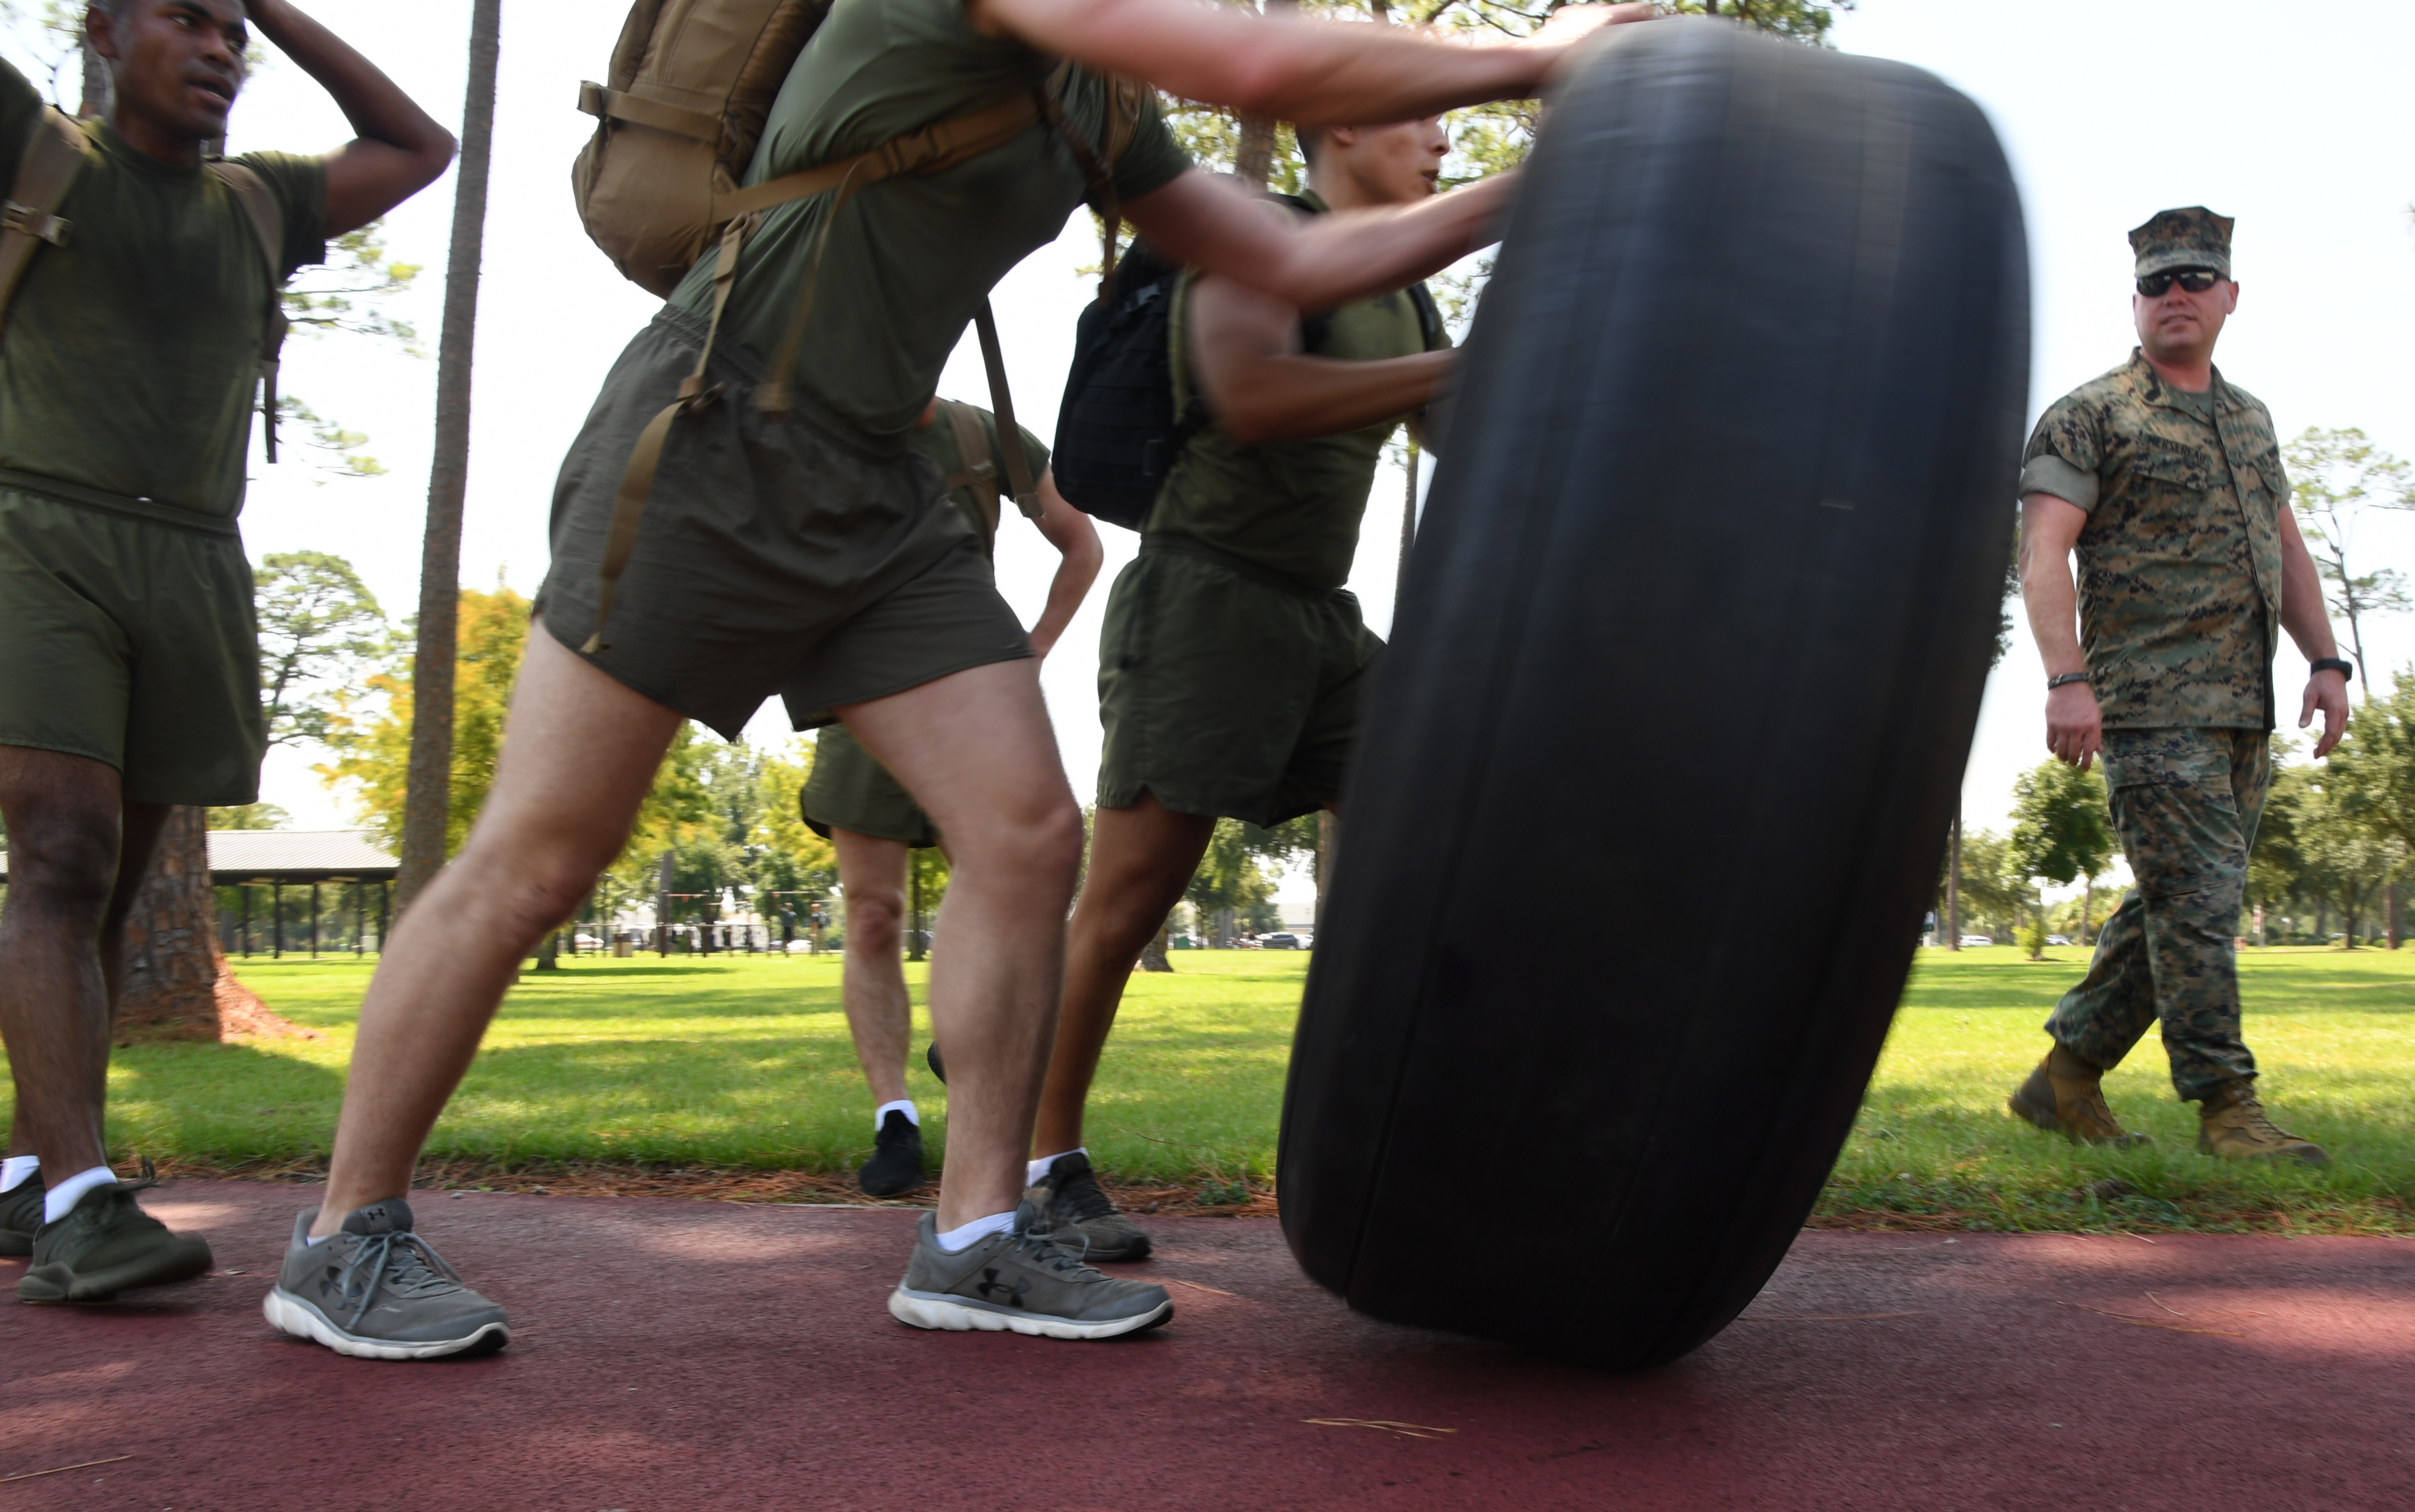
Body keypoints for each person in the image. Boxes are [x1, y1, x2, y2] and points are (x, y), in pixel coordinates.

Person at [266, 0, 1649, 1360]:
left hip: (885, 488)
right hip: (715, 433)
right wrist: (1540, 58)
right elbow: (1260, 63)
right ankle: (344, 1236)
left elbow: (1287, 258)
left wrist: (1543, 175)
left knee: (1027, 832)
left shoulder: (1099, 99)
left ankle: (978, 1232)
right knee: (541, 857)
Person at [0, 0, 453, 1304]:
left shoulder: (262, 200)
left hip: (195, 556)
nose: (218, 51)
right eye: (184, 19)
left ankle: (32, 1172)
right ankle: (84, 1203)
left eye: (230, 31)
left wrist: (270, 10)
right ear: (104, 30)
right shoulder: (39, 150)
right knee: (61, 853)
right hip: (34, 530)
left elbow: (419, 146)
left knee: (105, 887)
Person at [1027, 114, 1454, 1260]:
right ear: (1344, 122)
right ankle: (1038, 1162)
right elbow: (1255, 392)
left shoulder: (1406, 291)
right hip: (1204, 599)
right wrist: (1452, 370)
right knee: (1131, 898)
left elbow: (1462, 424)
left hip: (1323, 622)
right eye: (1421, 116)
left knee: (1437, 822)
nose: (1442, 140)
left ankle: (1427, 1136)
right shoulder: (1257, 235)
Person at [2009, 206, 2349, 1165]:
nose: (2176, 294)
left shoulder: (2251, 420)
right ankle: (2227, 1108)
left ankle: (2063, 1080)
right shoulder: (2091, 414)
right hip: (2148, 707)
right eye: (2156, 282)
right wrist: (2066, 680)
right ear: (2136, 302)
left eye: (2196, 278)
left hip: (2244, 711)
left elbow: (2284, 548)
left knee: (2173, 901)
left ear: (2230, 296)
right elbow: (2042, 553)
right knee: (2198, 903)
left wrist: (2326, 662)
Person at [799, 397, 1102, 1197]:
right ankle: (894, 1116)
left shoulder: (982, 433)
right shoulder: (823, 417)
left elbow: (1082, 545)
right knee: (873, 914)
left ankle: (968, 1045)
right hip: (860, 689)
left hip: (974, 697)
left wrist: (1035, 647)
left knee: (1016, 887)